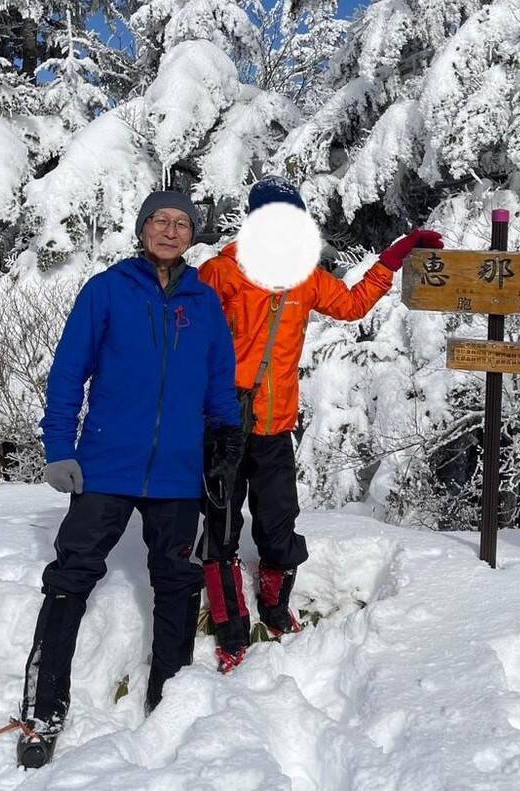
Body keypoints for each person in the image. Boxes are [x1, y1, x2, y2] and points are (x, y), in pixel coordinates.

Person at [10, 190, 242, 769]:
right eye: (160, 221)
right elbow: (68, 373)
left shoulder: (204, 303)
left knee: (177, 582)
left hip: (177, 475)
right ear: (142, 229)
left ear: (192, 235)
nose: (170, 231)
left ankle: (168, 701)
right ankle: (42, 711)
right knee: (69, 578)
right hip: (106, 466)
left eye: (181, 223)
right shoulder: (108, 290)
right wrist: (60, 448)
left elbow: (219, 381)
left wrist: (226, 439)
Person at [196, 176, 442, 672]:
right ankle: (231, 630)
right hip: (222, 423)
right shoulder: (219, 273)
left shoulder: (305, 278)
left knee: (279, 524)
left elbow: (350, 306)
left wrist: (391, 259)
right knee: (220, 530)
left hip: (275, 425)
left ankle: (274, 606)